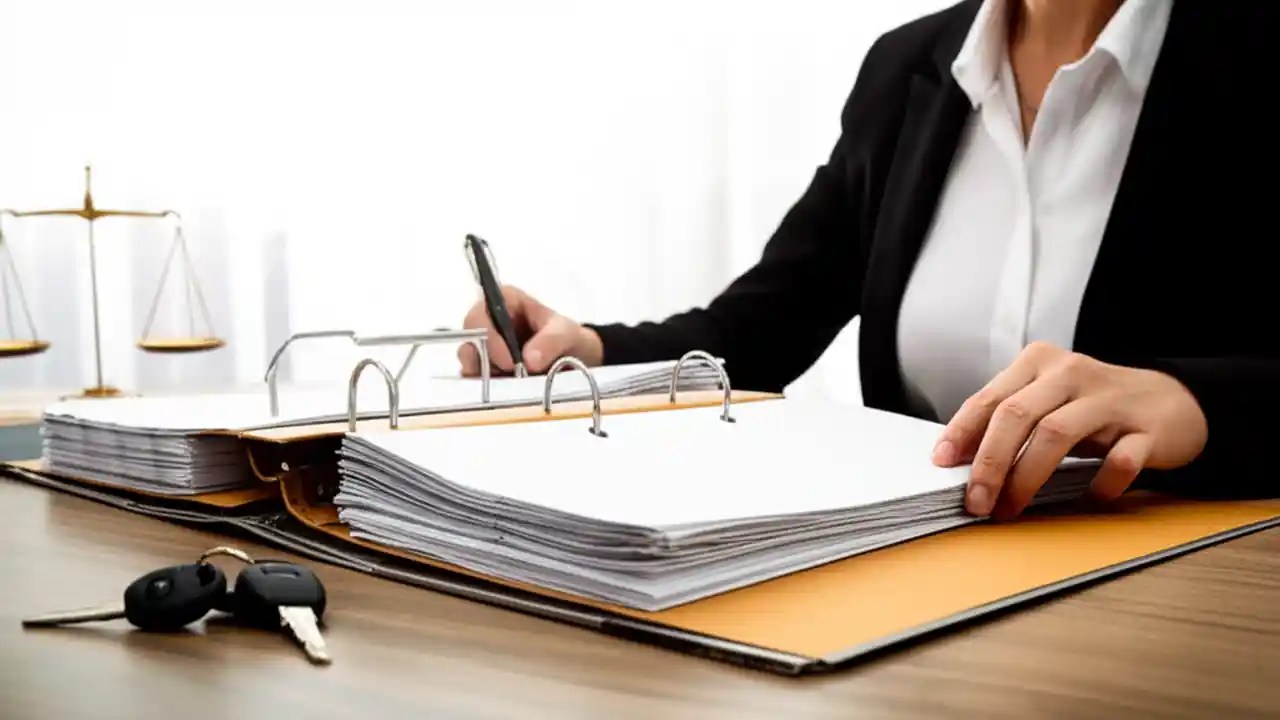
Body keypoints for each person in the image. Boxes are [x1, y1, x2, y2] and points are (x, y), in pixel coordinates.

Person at [460, 0, 1277, 519]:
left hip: (1180, 592)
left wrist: (1189, 401)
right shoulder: (907, 67)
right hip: (919, 584)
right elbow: (759, 330)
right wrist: (589, 348)